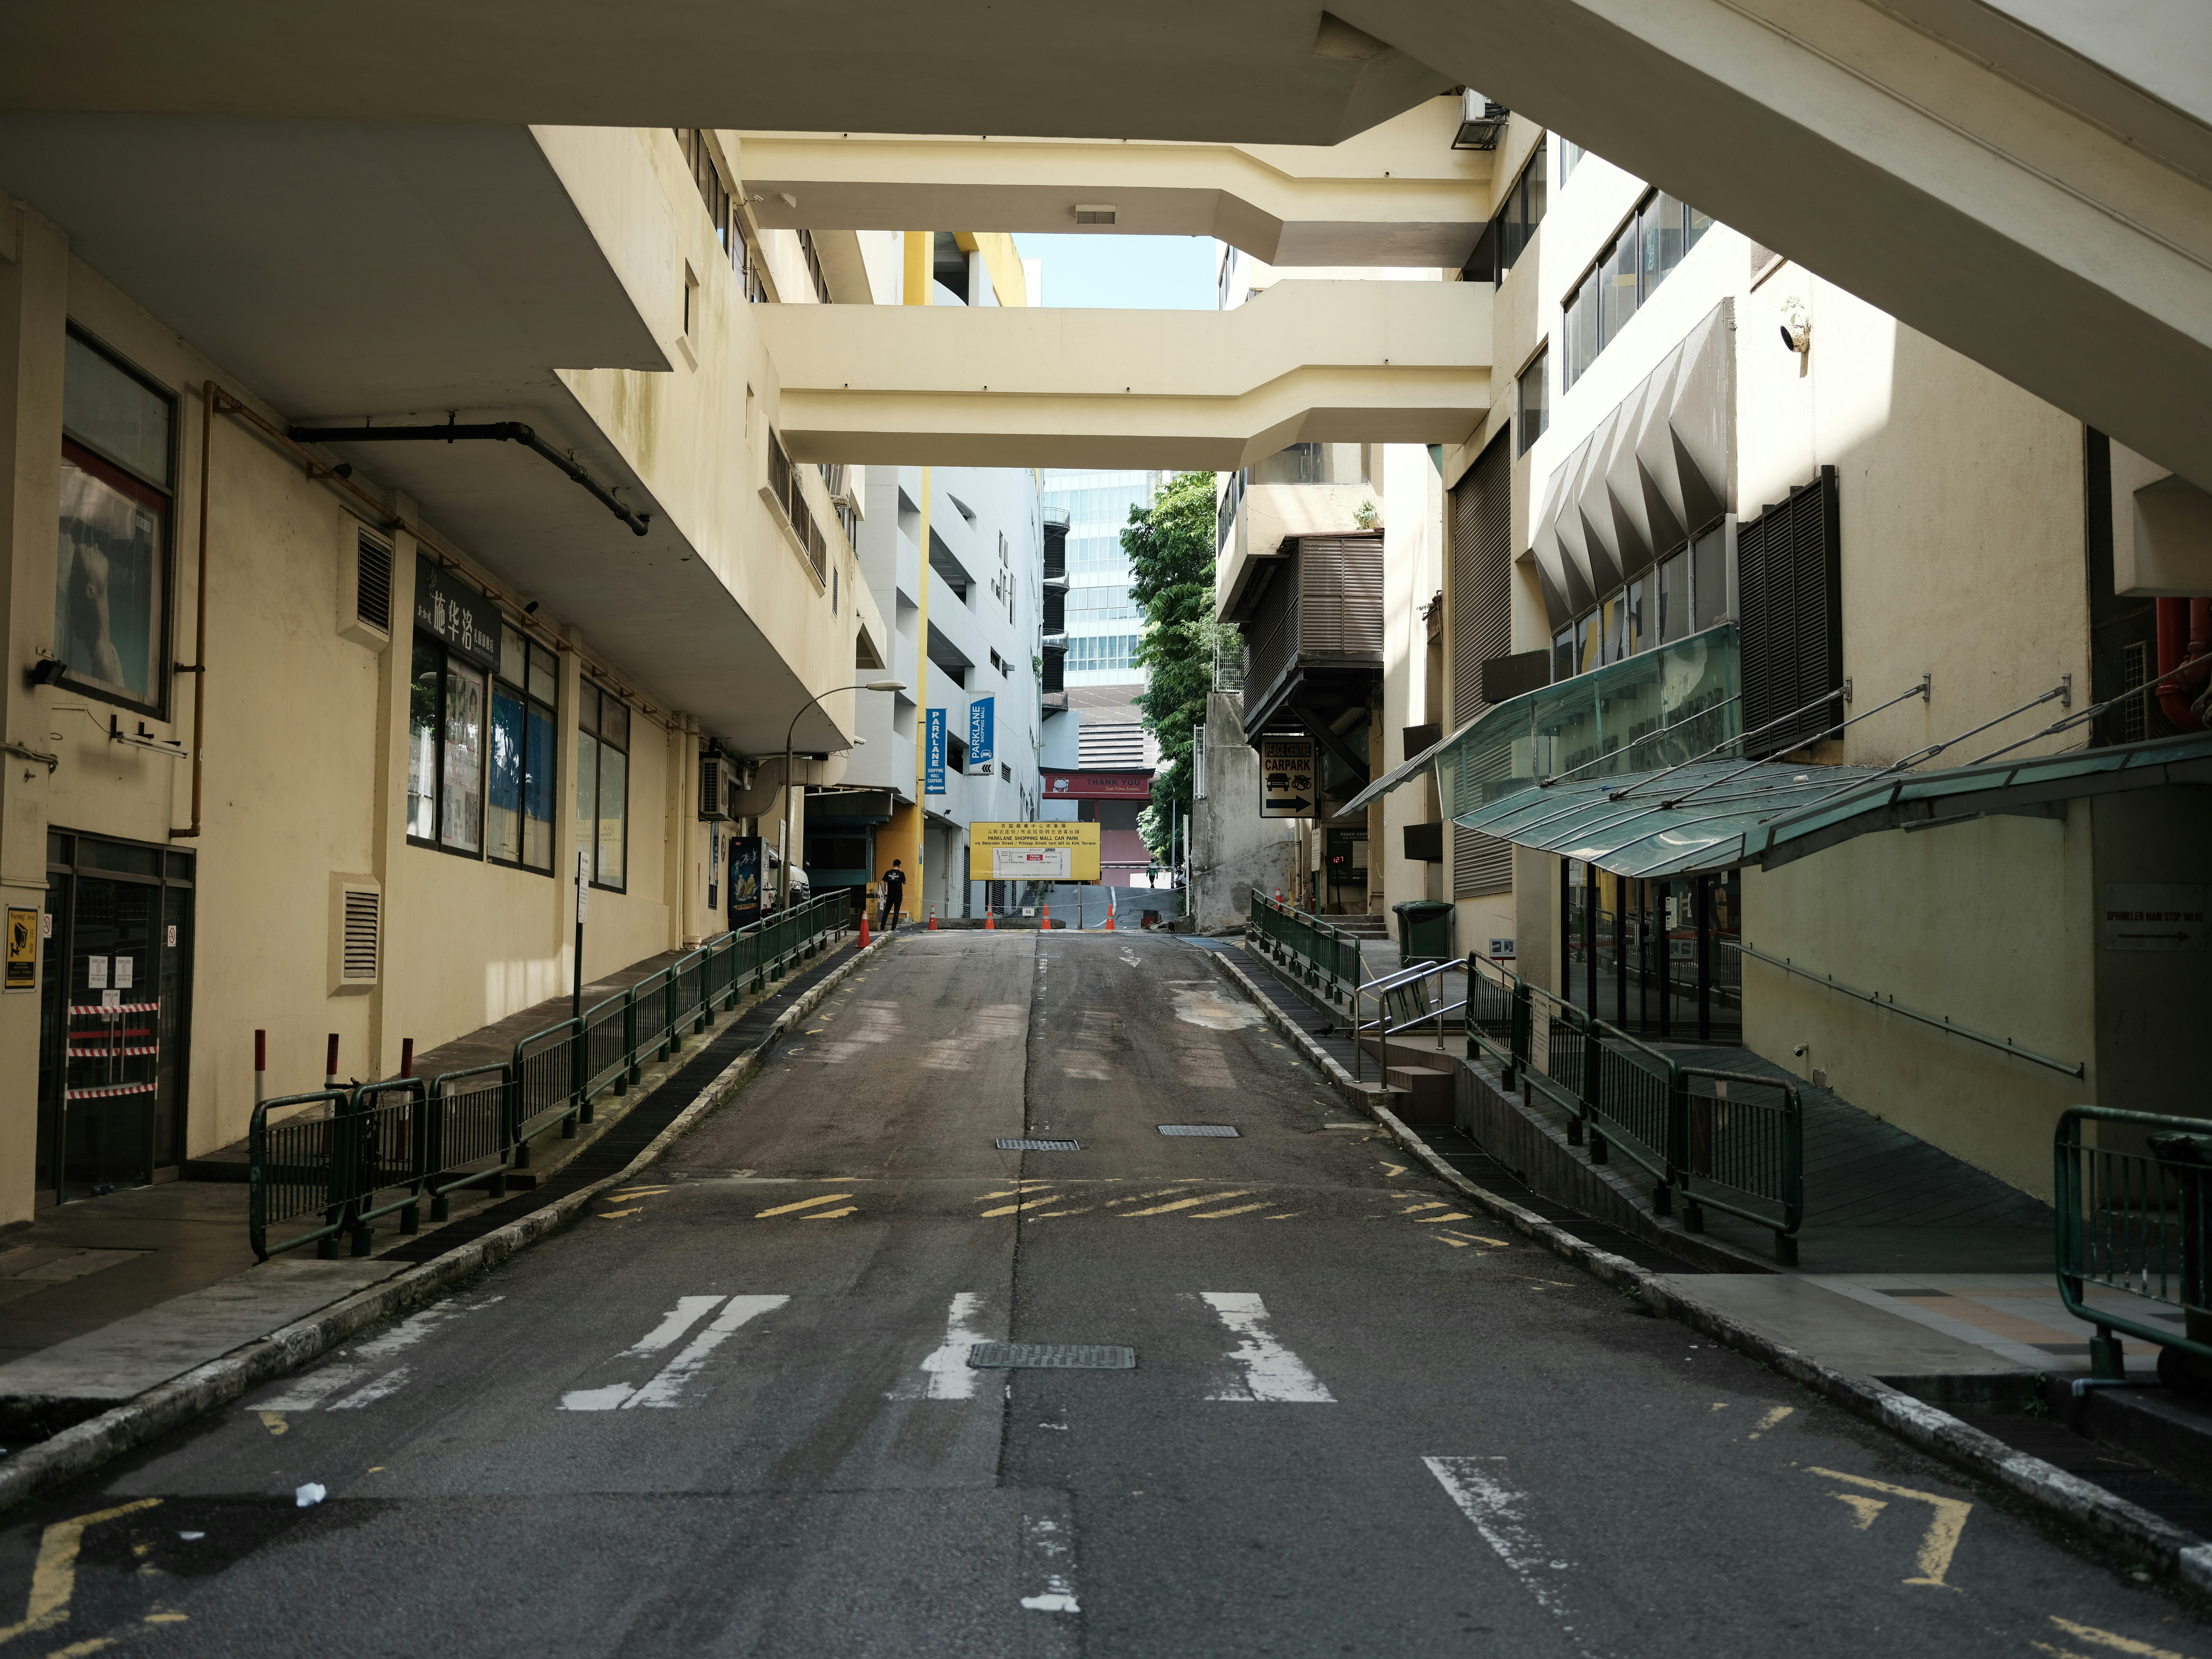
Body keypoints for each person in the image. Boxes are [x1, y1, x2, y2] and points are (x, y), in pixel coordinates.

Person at [878, 858, 907, 932]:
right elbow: (905, 883)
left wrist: (884, 892)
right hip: (899, 895)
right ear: (900, 865)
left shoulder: (888, 873)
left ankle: (882, 928)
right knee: (897, 911)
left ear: (893, 865)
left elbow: (882, 883)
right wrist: (901, 872)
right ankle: (893, 928)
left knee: (887, 911)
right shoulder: (901, 873)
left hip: (890, 895)